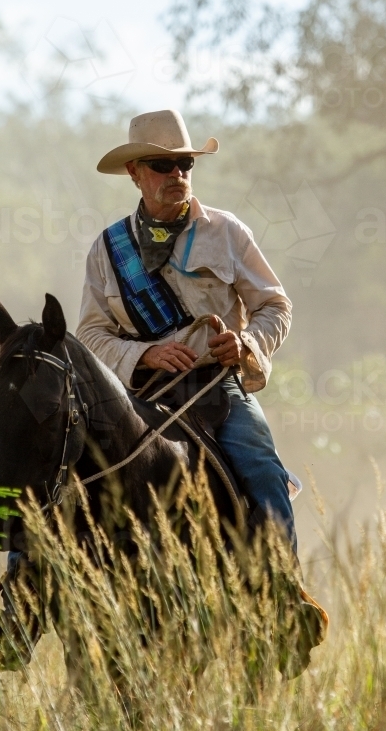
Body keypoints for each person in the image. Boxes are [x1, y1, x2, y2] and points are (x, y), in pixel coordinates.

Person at [76, 108, 300, 548]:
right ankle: (17, 593)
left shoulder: (227, 231)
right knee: (61, 472)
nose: (177, 173)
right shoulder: (107, 248)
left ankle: (286, 593)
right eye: (163, 165)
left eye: (186, 164)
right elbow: (90, 335)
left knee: (263, 470)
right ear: (135, 172)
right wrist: (143, 355)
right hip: (138, 394)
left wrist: (246, 343)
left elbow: (275, 305)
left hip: (215, 387)